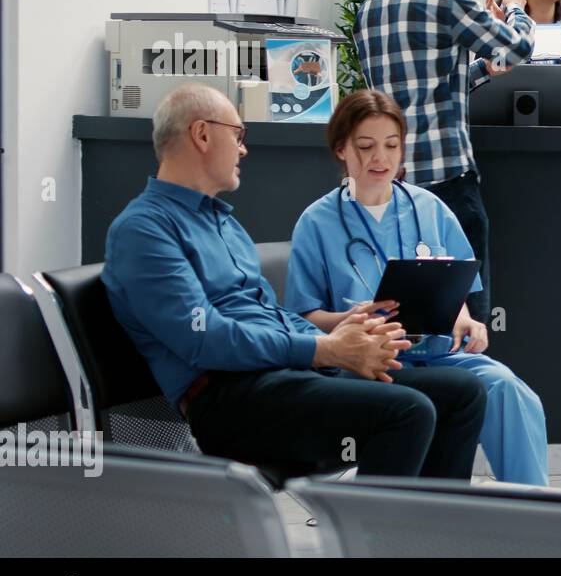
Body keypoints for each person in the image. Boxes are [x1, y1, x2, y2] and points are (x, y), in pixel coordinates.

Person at [102, 83, 487, 479]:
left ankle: (434, 532)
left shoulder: (223, 223)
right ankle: (373, 539)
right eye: (237, 135)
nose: (243, 149)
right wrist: (325, 350)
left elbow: (270, 316)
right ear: (202, 134)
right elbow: (206, 339)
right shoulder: (144, 230)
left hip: (281, 379)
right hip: (229, 398)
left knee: (462, 394)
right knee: (408, 410)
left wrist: (346, 330)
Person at [284, 89, 549, 485]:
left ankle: (535, 515)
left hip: (438, 353)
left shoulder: (430, 208)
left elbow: (454, 285)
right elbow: (303, 317)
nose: (381, 158)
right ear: (341, 149)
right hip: (368, 360)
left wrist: (466, 321)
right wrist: (350, 318)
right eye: (367, 146)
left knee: (510, 392)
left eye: (392, 145)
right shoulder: (317, 222)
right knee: (446, 396)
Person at [354, 0, 535, 325]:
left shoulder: (372, 4)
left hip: (391, 183)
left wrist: (479, 72)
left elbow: (414, 86)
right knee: (467, 321)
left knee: (405, 321)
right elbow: (518, 47)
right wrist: (515, 11)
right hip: (448, 183)